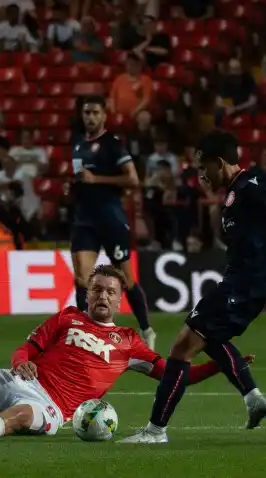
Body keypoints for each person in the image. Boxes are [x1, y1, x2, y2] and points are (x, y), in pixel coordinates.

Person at [120, 130, 266, 444]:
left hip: (243, 284)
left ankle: (156, 431)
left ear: (220, 163)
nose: (201, 175)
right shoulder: (238, 192)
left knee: (182, 347)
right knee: (208, 336)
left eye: (203, 167)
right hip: (245, 283)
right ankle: (253, 398)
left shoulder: (253, 187)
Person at [0, 265, 240, 439]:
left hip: (49, 406)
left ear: (119, 301)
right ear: (87, 294)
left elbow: (177, 377)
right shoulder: (68, 317)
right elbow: (26, 348)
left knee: (17, 418)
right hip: (15, 379)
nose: (102, 295)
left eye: (110, 291)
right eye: (97, 289)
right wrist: (21, 362)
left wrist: (222, 365)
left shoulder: (129, 342)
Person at [70, 95, 156, 348]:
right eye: (87, 113)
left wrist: (96, 180)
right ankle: (86, 334)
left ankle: (146, 329)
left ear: (104, 115)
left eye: (95, 112)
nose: (90, 117)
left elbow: (133, 180)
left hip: (110, 218)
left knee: (126, 280)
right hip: (84, 218)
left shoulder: (113, 144)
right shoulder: (77, 145)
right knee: (82, 279)